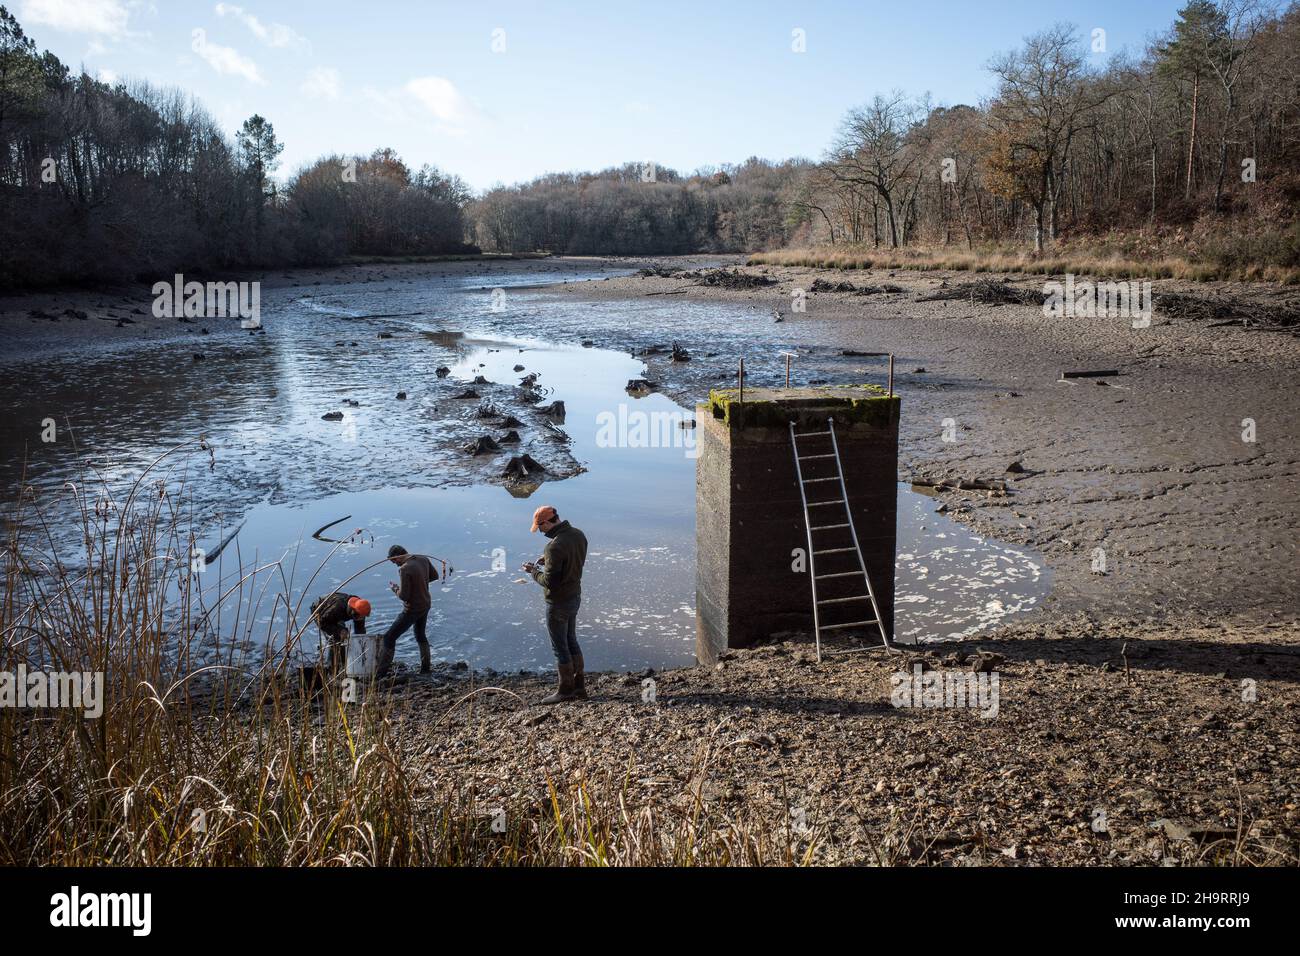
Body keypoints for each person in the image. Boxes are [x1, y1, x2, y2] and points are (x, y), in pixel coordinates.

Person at [523, 505, 588, 704]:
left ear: (547, 522)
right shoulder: (578, 535)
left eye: (540, 527)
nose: (540, 531)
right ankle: (579, 687)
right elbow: (572, 560)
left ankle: (565, 690)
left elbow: (549, 582)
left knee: (560, 646)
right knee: (571, 640)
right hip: (574, 596)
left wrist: (533, 571)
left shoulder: (554, 546)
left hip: (558, 602)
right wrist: (549, 561)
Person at [375, 545, 438, 677]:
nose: (396, 565)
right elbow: (434, 576)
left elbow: (404, 596)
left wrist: (395, 588)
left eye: (394, 561)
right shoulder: (423, 559)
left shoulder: (405, 569)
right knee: (420, 635)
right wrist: (420, 582)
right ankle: (426, 669)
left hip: (412, 609)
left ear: (398, 556)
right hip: (425, 604)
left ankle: (380, 674)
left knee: (389, 637)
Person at [309, 592, 372, 675]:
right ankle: (331, 669)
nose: (359, 619)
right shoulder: (337, 608)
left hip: (336, 615)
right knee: (335, 639)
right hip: (320, 612)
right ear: (352, 610)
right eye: (357, 617)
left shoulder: (360, 609)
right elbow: (322, 623)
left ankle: (344, 663)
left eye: (362, 617)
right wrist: (339, 631)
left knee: (344, 637)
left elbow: (360, 631)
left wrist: (361, 647)